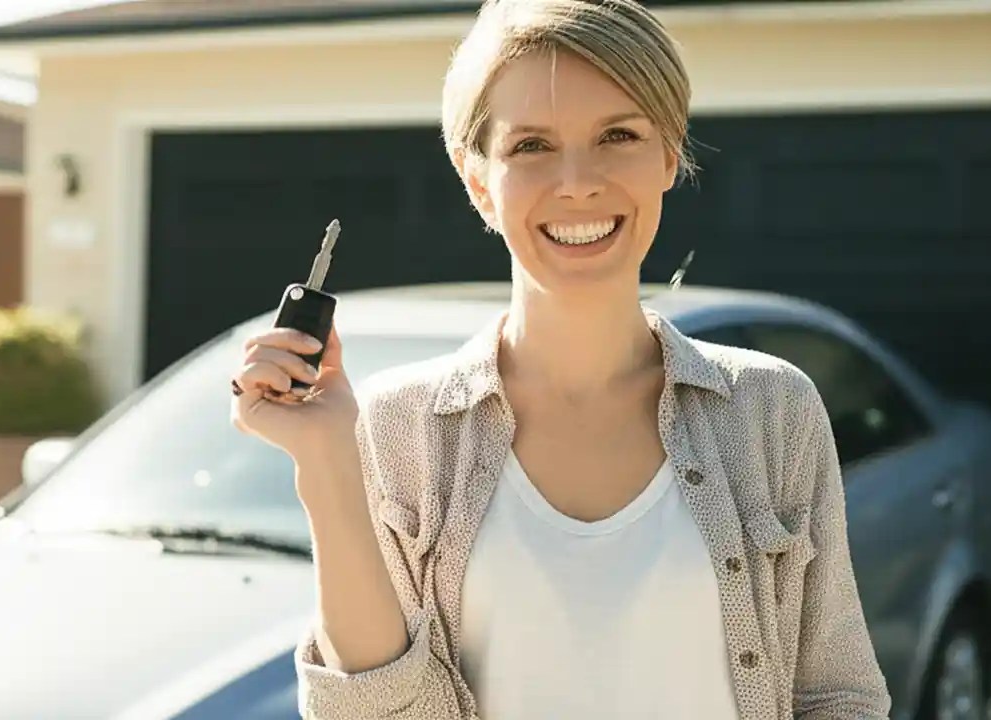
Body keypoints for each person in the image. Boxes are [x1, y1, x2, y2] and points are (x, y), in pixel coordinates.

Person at [230, 1, 891, 718]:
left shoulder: (772, 411)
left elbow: (838, 695)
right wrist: (325, 463)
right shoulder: (400, 428)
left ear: (670, 153)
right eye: (532, 146)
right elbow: (370, 712)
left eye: (618, 135)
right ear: (477, 177)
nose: (577, 181)